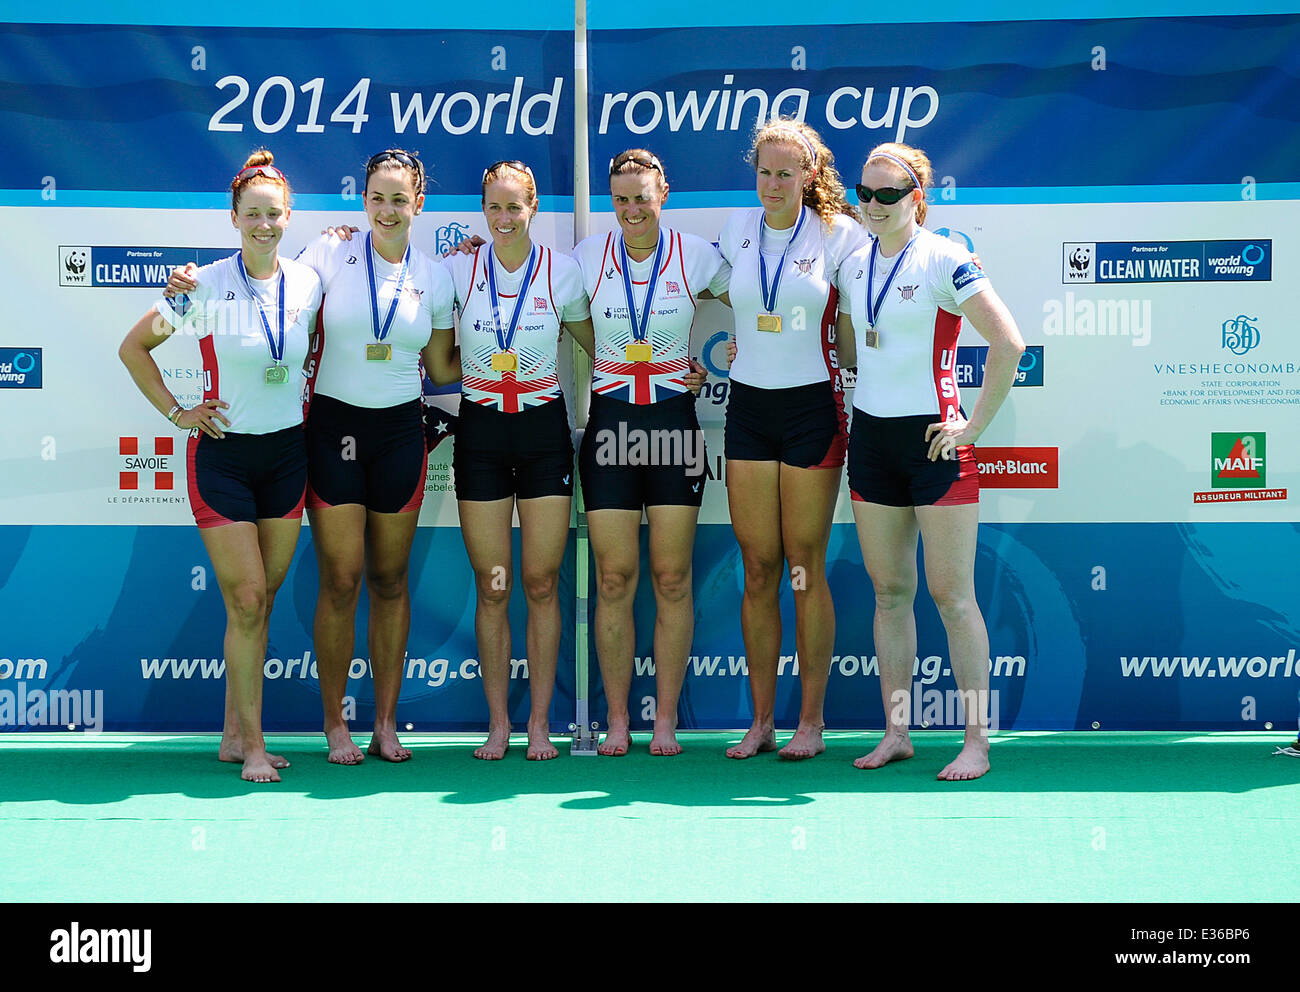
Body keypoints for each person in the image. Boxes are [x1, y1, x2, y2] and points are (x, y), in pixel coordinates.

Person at [169, 149, 456, 765]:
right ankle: (335, 725)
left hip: (402, 435)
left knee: (389, 580)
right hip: (331, 432)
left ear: (418, 204)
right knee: (342, 579)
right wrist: (188, 290)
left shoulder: (438, 275)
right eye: (376, 197)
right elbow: (269, 297)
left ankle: (383, 723)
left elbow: (440, 368)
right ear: (363, 202)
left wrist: (509, 378)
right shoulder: (325, 257)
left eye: (398, 198)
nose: (386, 209)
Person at [120, 150, 323, 783]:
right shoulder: (202, 285)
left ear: (289, 217)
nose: (264, 224)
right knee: (247, 597)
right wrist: (179, 411)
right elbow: (134, 348)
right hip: (223, 458)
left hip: (288, 456)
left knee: (259, 605)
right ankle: (254, 747)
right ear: (234, 218)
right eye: (252, 214)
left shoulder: (309, 282)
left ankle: (235, 734)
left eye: (274, 214)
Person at [835, 142, 1025, 781]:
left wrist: (972, 426)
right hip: (872, 442)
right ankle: (897, 731)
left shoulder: (948, 257)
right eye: (864, 193)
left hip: (934, 444)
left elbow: (1008, 342)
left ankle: (976, 741)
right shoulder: (853, 262)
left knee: (952, 597)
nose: (873, 204)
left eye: (889, 194)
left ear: (918, 197)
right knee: (890, 594)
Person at [425, 160, 594, 760]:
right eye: (493, 207)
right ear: (482, 210)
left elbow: (598, 351)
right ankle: (499, 724)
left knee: (541, 583)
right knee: (492, 587)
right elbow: (440, 366)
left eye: (513, 207)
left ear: (533, 208)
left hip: (544, 430)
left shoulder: (563, 272)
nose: (502, 218)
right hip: (482, 432)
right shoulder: (454, 272)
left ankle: (541, 725)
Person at [718, 119, 867, 760]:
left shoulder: (841, 235)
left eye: (786, 172)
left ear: (810, 176)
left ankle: (811, 721)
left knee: (804, 569)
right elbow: (667, 271)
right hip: (748, 406)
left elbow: (879, 305)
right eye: (764, 171)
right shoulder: (735, 230)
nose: (773, 183)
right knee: (758, 570)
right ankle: (760, 721)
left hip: (813, 407)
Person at [573, 149, 729, 756]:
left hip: (673, 426)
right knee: (614, 579)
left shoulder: (696, 254)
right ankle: (617, 720)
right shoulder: (587, 257)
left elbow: (764, 290)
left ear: (663, 192)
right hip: (611, 426)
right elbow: (526, 279)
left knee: (670, 577)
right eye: (621, 199)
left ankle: (663, 721)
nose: (632, 209)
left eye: (642, 196)